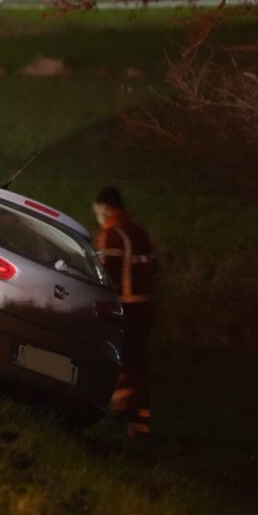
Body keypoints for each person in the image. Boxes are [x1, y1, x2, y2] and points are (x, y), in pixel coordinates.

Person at [93, 187, 156, 438]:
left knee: (121, 358)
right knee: (137, 361)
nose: (98, 218)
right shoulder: (141, 232)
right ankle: (140, 424)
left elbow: (107, 272)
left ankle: (119, 411)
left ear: (104, 208)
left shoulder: (112, 234)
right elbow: (154, 267)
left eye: (97, 212)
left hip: (126, 306)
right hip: (146, 305)